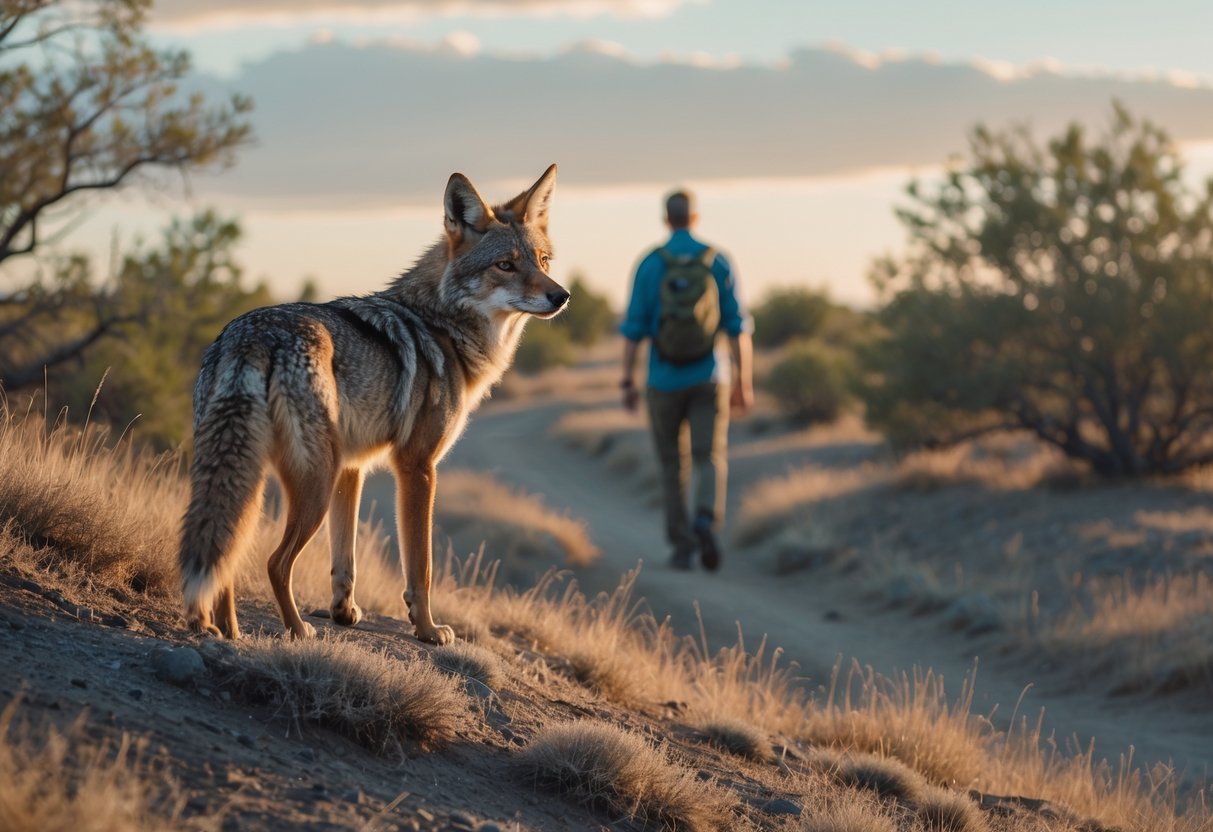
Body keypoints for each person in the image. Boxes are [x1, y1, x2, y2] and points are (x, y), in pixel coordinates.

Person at [619, 189, 753, 571]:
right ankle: (705, 519)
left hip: (662, 379)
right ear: (695, 217)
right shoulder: (718, 262)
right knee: (709, 456)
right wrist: (744, 381)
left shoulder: (649, 264)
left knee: (670, 464)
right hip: (710, 376)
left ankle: (681, 546)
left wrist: (627, 381)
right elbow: (738, 328)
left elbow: (633, 330)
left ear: (666, 219)